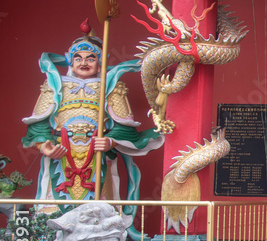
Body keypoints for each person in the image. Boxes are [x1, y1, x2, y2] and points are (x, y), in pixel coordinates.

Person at [22, 24, 163, 206]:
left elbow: (125, 129)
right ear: (70, 61)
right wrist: (44, 146)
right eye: (78, 58)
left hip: (96, 156)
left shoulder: (111, 86)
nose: (83, 63)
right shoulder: (53, 86)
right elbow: (37, 126)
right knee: (53, 208)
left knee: (100, 212)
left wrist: (110, 141)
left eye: (91, 58)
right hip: (62, 154)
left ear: (100, 63)